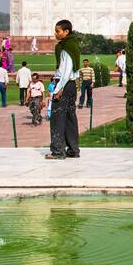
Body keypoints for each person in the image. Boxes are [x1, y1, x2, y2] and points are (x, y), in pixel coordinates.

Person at [45, 18, 81, 160]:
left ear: (66, 31)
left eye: (58, 31)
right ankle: (73, 149)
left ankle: (58, 151)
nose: (56, 34)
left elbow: (65, 71)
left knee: (58, 117)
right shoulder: (72, 45)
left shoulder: (66, 47)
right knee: (70, 117)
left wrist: (58, 88)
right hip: (71, 85)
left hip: (64, 85)